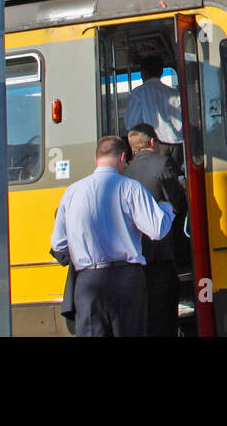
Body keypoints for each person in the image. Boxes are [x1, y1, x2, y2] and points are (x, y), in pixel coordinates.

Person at [50, 135, 175, 337]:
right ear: (123, 157)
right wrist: (166, 208)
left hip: (88, 281)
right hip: (126, 279)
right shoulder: (131, 188)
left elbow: (59, 244)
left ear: (95, 159)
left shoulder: (71, 192)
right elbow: (157, 230)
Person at [123, 124, 187, 337]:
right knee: (165, 307)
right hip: (161, 250)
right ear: (152, 142)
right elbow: (177, 202)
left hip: (136, 254)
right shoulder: (163, 163)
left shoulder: (125, 171)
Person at [125, 56, 184, 156]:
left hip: (156, 146)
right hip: (179, 144)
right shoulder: (174, 93)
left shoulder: (138, 94)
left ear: (143, 72)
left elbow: (131, 125)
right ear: (161, 72)